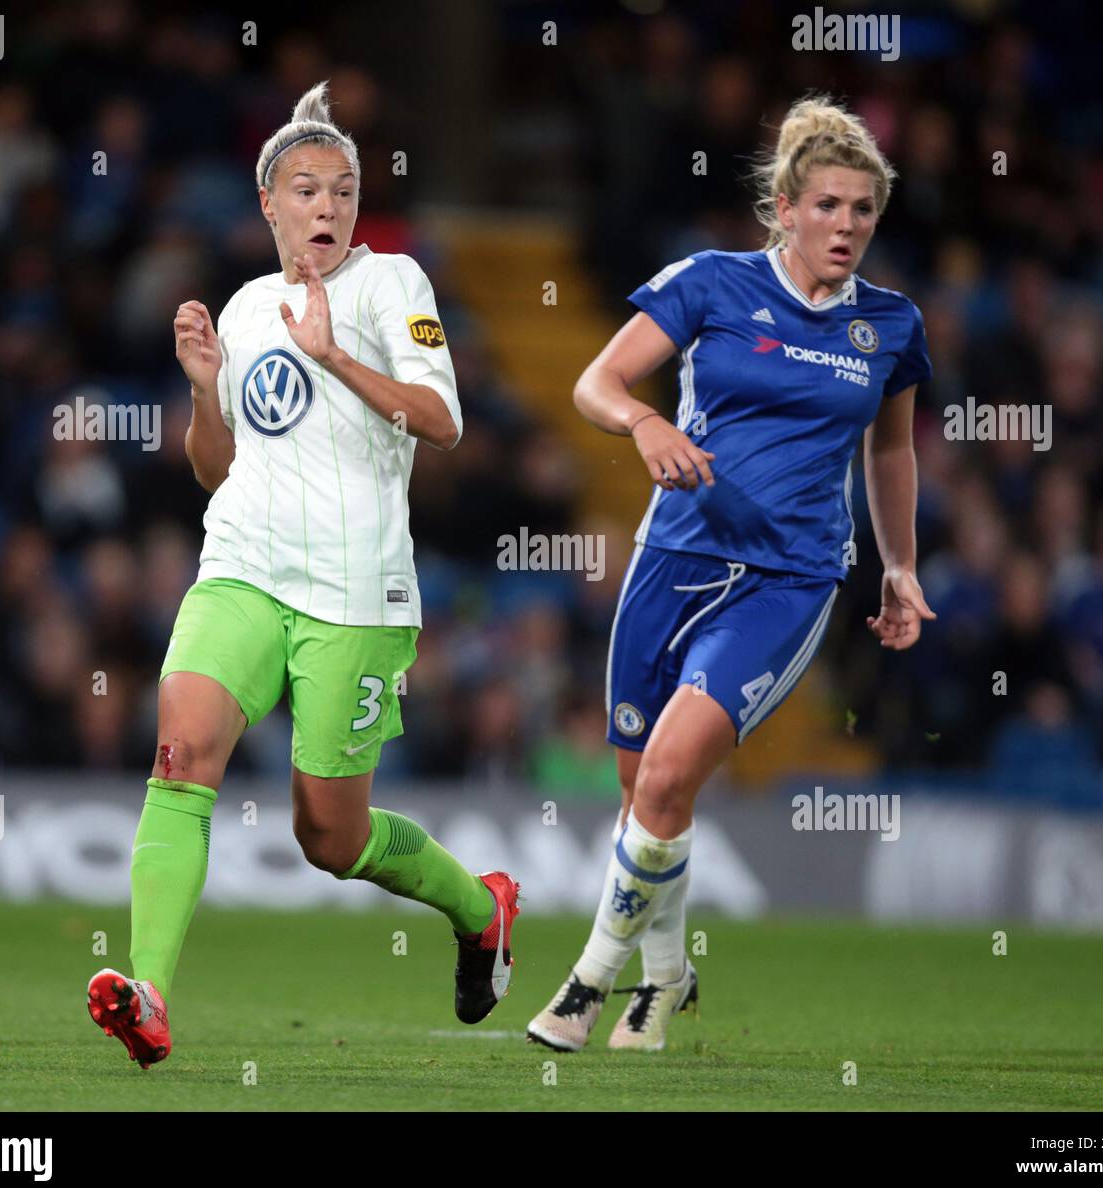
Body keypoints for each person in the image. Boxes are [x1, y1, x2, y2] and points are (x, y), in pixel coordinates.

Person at [86, 83, 519, 1069]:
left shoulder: (392, 285)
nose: (325, 207)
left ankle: (478, 907)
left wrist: (336, 360)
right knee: (180, 754)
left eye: (341, 190)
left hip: (354, 594)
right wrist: (203, 393)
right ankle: (148, 993)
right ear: (269, 207)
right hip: (241, 567)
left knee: (329, 834)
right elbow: (212, 469)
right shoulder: (241, 309)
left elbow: (443, 421)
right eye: (304, 190)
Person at [527, 95, 935, 1052]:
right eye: (829, 205)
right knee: (645, 800)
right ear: (784, 208)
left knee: (668, 777)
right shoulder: (709, 283)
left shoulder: (891, 324)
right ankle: (667, 981)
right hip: (672, 556)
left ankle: (587, 983)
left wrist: (900, 565)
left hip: (788, 579)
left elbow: (891, 452)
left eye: (864, 209)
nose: (847, 227)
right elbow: (597, 383)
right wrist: (646, 422)